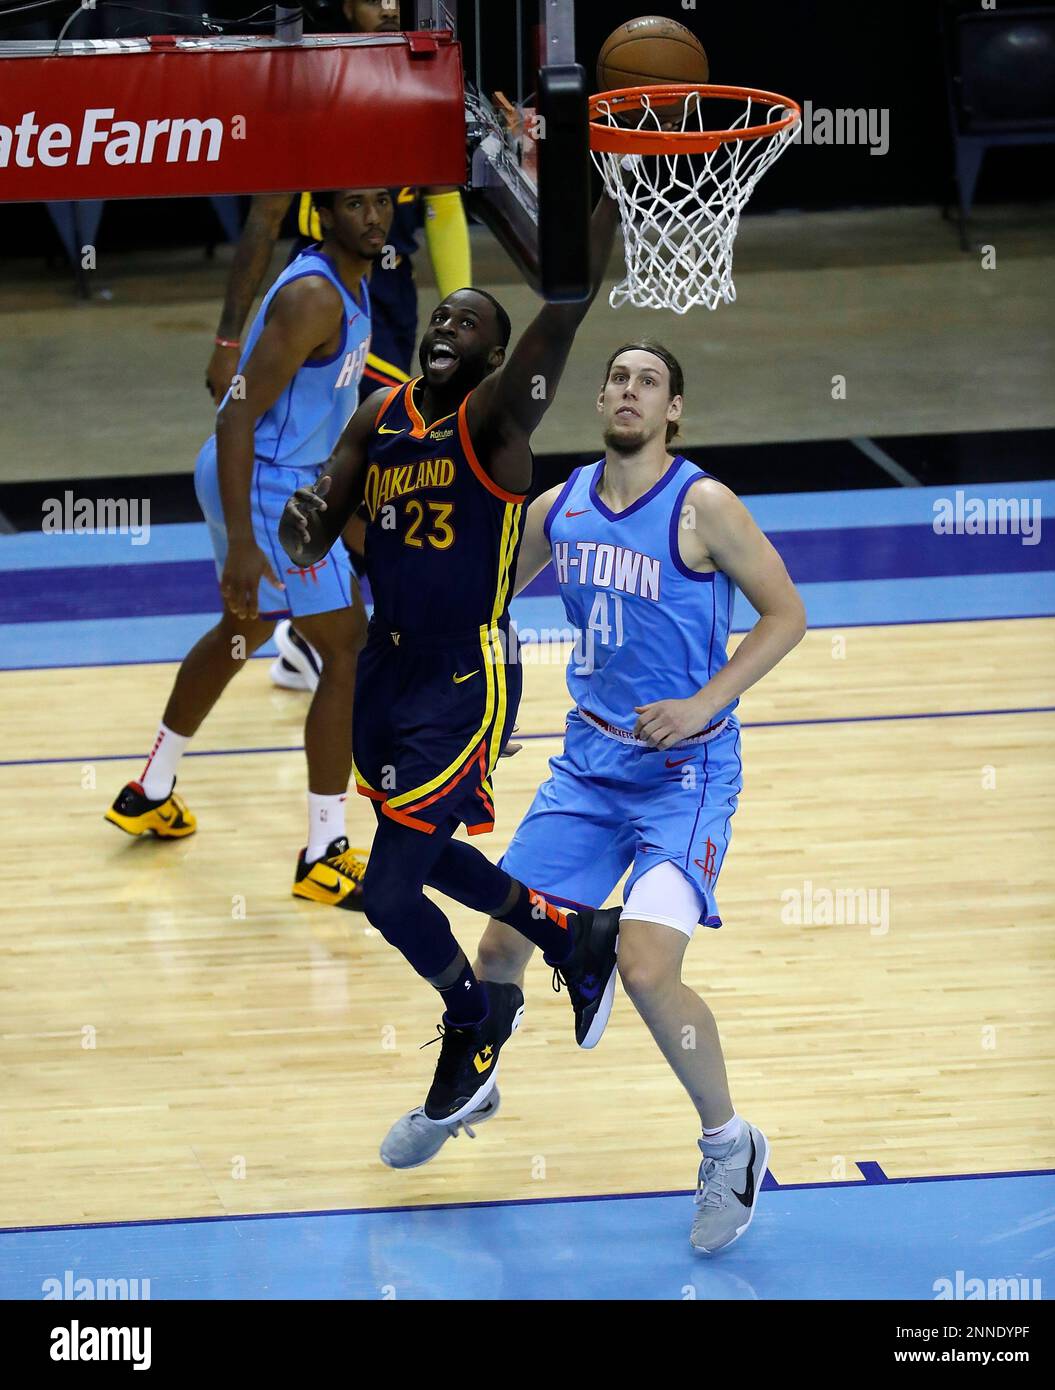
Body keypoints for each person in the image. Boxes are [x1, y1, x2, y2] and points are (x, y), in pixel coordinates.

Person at [380, 341, 807, 1256]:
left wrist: (702, 702)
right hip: (588, 765)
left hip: (684, 775)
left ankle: (729, 1146)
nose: (627, 390)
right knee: (499, 943)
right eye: (617, 377)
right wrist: (485, 713)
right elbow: (480, 598)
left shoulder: (703, 506)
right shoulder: (560, 507)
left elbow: (785, 614)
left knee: (647, 970)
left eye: (648, 381)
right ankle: (479, 1063)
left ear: (674, 411)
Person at [280, 195, 626, 1125]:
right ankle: (568, 932)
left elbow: (564, 311)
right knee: (419, 853)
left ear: (488, 354)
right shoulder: (380, 413)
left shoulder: (497, 421)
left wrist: (606, 194)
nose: (445, 325)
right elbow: (317, 509)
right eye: (439, 313)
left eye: (467, 322)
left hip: (464, 674)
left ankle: (473, 1021)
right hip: (385, 669)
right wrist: (304, 519)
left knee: (388, 886)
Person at [106, 189, 395, 910]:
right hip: (265, 486)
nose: (373, 216)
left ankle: (151, 788)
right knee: (346, 648)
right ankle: (325, 852)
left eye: (383, 201)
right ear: (322, 216)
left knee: (244, 631)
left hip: (277, 479)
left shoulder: (347, 286)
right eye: (355, 204)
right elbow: (237, 409)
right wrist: (243, 538)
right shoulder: (314, 299)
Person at [201, 0, 473, 693]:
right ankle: (333, 636)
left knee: (377, 479)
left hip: (391, 297)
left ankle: (326, 636)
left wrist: (462, 325)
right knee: (376, 479)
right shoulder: (310, 85)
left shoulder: (420, 75)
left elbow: (442, 205)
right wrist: (230, 336)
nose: (383, 5)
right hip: (331, 286)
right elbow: (264, 216)